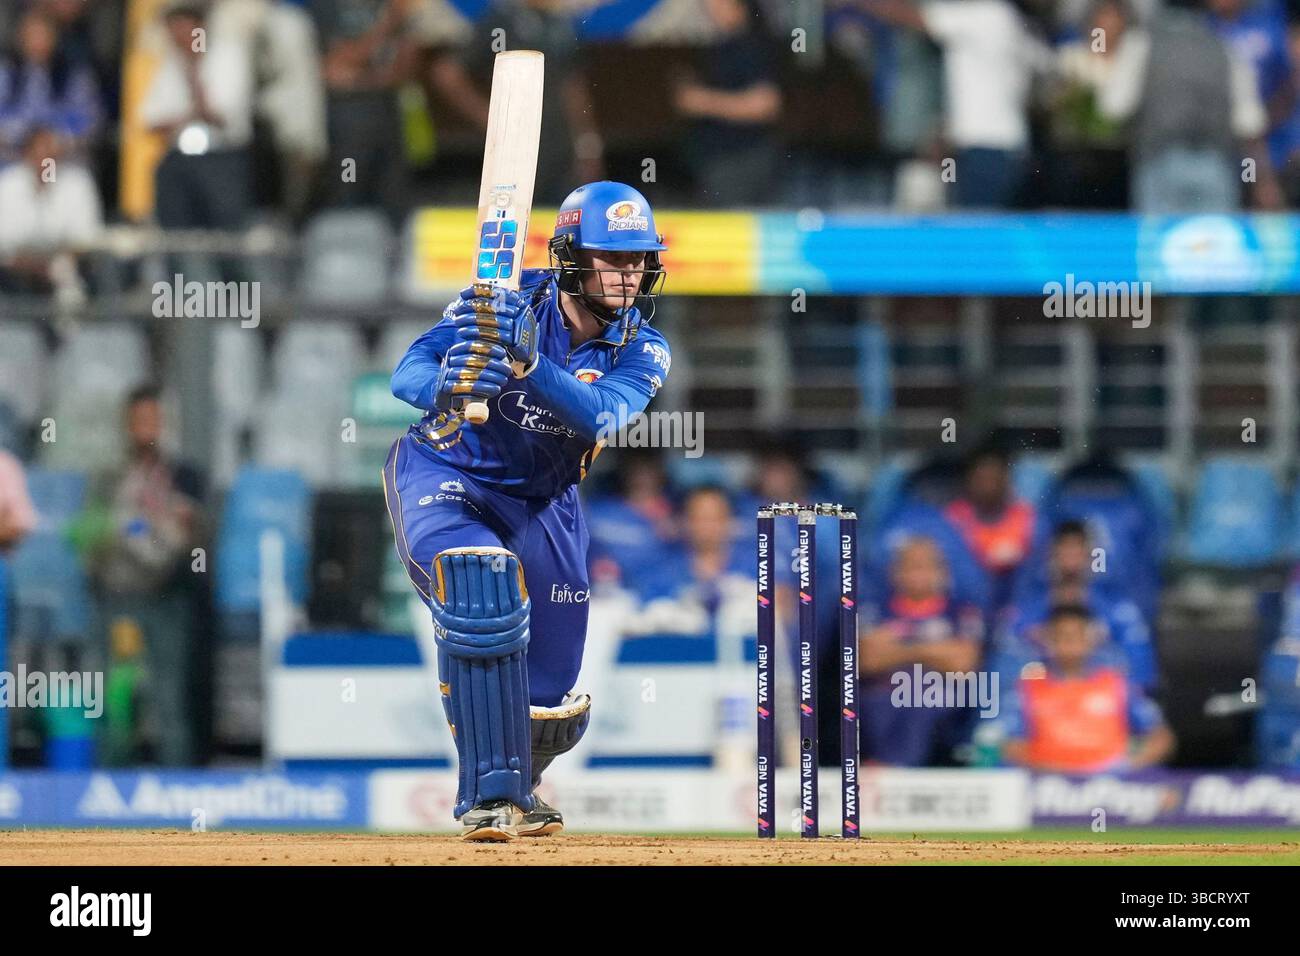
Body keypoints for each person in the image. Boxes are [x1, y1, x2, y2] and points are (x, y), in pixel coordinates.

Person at [385, 181, 670, 840]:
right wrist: (452, 385)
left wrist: (528, 363)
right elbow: (408, 373)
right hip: (448, 472)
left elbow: (600, 414)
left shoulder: (644, 349)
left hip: (544, 500)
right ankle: (488, 798)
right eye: (613, 259)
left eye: (638, 261)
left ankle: (520, 781)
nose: (629, 276)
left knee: (552, 703)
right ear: (571, 256)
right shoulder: (503, 300)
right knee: (476, 582)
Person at [83, 386, 207, 767]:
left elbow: (188, 536)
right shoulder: (108, 479)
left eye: (153, 420)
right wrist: (132, 530)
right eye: (140, 420)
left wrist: (140, 530)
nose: (146, 428)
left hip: (166, 601)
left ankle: (178, 795)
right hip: (117, 599)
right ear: (127, 424)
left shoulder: (183, 476)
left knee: (168, 698)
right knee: (116, 699)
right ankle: (108, 796)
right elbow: (92, 537)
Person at [999, 604, 1174, 772]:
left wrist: (1125, 768)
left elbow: (1161, 738)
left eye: (1076, 635)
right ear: (1047, 639)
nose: (1069, 643)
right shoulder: (1026, 690)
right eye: (1061, 636)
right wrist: (1051, 770)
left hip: (1110, 783)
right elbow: (1007, 744)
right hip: (1049, 784)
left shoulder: (1118, 685)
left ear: (1091, 638)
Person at [859, 536, 985, 766]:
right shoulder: (874, 609)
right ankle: (891, 768)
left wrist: (901, 647)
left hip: (941, 698)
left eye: (925, 566)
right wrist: (934, 650)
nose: (917, 573)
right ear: (895, 571)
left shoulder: (961, 612)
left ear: (942, 572)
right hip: (881, 698)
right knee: (884, 700)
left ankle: (894, 769)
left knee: (921, 698)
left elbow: (963, 664)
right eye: (910, 566)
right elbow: (867, 660)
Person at [673, 0, 782, 207]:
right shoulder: (722, 45)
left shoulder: (751, 44)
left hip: (742, 160)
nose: (711, 8)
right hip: (719, 160)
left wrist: (703, 101)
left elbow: (766, 104)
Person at [0, 125, 104, 297]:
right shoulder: (7, 183)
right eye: (40, 154)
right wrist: (36, 266)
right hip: (13, 274)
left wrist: (57, 265)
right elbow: (5, 240)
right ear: (27, 154)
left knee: (72, 287)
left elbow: (86, 237)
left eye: (52, 155)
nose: (46, 161)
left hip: (64, 272)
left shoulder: (78, 183)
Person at [0, 6, 103, 163]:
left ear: (56, 38)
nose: (38, 42)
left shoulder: (74, 76)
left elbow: (92, 122)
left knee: (74, 182)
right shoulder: (5, 74)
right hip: (14, 161)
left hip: (59, 160)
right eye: (33, 36)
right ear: (21, 38)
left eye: (44, 35)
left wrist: (59, 142)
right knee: (11, 184)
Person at [944, 444, 1035, 611]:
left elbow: (1033, 572)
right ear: (969, 480)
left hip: (1013, 604)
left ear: (1006, 479)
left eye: (994, 478)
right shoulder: (953, 518)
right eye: (982, 479)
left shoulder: (1027, 518)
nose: (988, 486)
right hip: (966, 606)